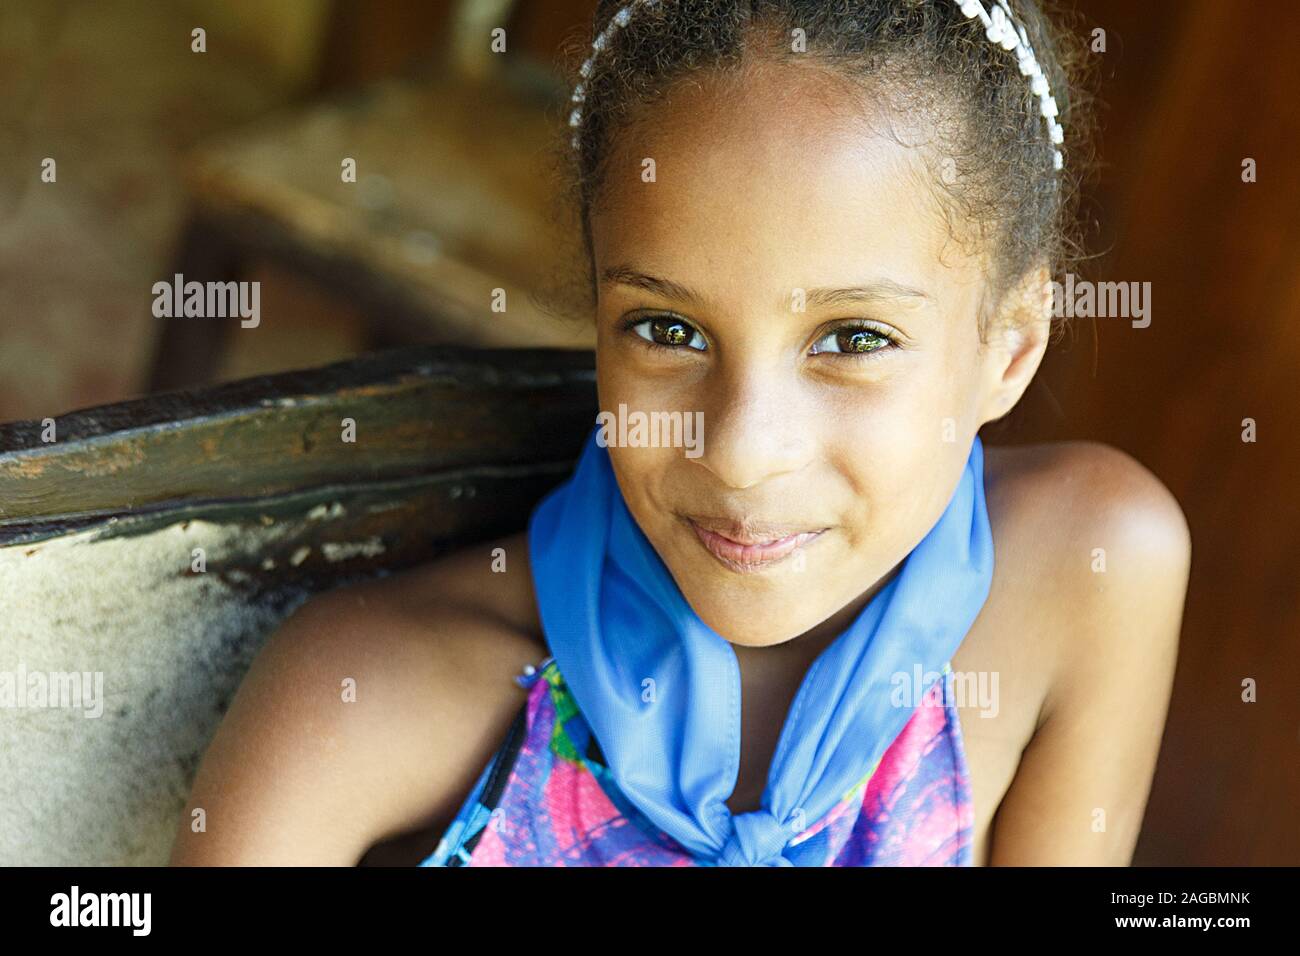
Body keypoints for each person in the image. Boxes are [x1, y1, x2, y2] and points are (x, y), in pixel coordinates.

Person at [169, 0, 1191, 867]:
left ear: (1009, 347)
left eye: (852, 337)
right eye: (668, 328)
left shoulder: (1090, 572)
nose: (742, 450)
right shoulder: (360, 702)